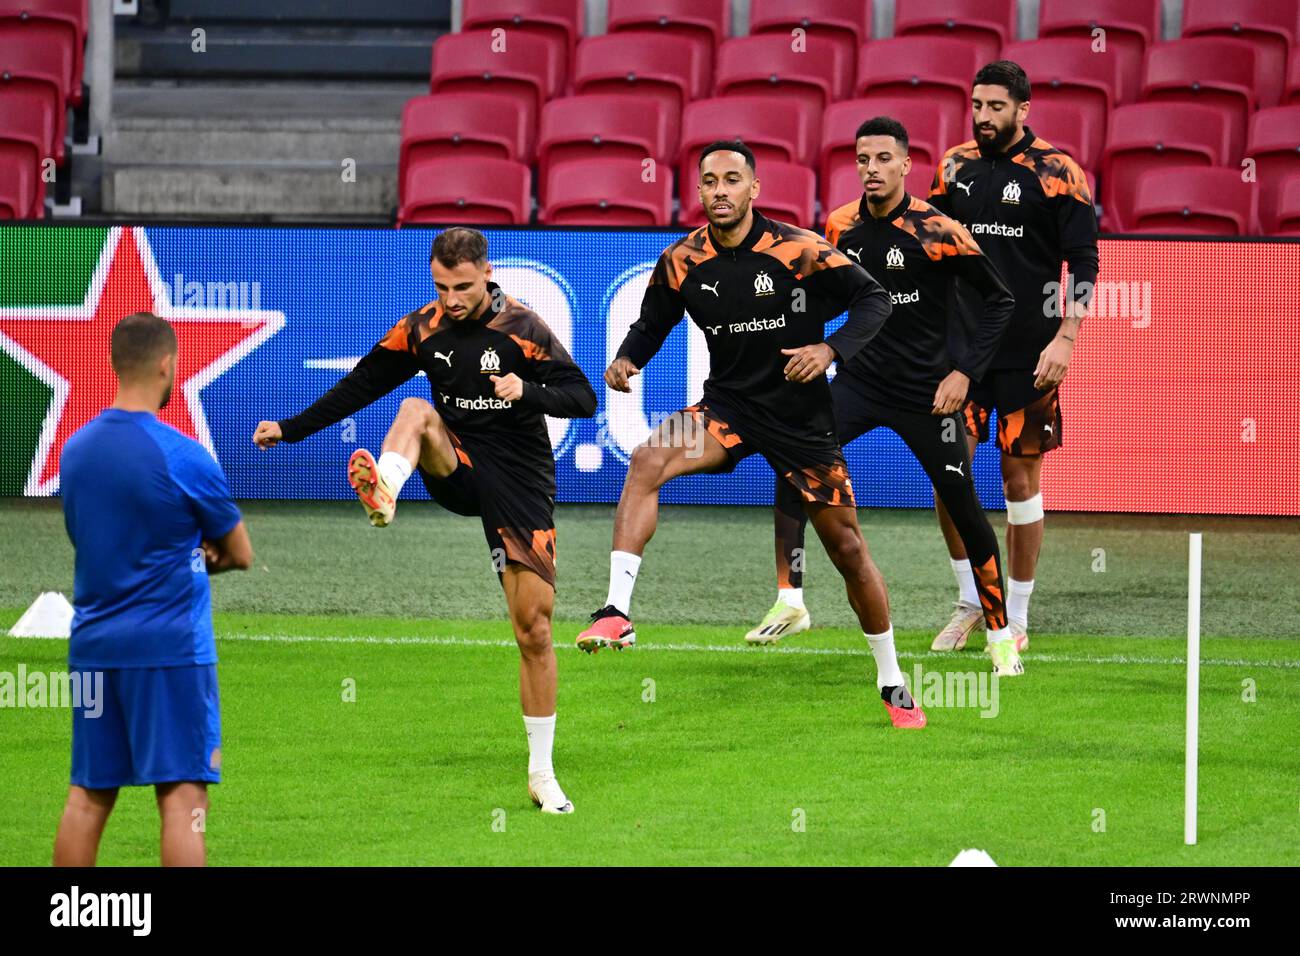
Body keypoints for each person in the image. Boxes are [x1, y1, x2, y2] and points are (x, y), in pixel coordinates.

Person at [578, 139, 927, 729]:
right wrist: (626, 359)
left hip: (802, 423)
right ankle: (617, 612)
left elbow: (874, 299)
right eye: (709, 181)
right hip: (728, 413)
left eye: (732, 180)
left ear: (753, 189)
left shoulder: (800, 249)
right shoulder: (682, 260)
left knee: (848, 551)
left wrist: (829, 348)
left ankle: (892, 682)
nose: (720, 190)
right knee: (646, 460)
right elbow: (651, 322)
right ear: (699, 191)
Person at [253, 228, 597, 813]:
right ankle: (385, 488)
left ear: (487, 273)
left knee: (533, 630)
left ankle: (541, 774)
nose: (452, 299)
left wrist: (526, 390)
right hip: (456, 464)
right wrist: (291, 428)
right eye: (441, 286)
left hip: (518, 480)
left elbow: (583, 398)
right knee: (415, 408)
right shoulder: (423, 328)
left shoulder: (525, 328)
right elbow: (364, 382)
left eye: (462, 287)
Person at [747, 116, 1023, 677]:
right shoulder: (841, 226)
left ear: (905, 165)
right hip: (860, 383)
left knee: (963, 503)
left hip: (929, 392)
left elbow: (1000, 302)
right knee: (793, 465)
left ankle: (999, 633)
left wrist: (964, 373)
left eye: (882, 160)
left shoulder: (938, 229)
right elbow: (827, 295)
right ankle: (791, 600)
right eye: (862, 160)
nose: (871, 170)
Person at [55, 311, 252, 867]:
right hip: (169, 652)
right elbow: (240, 553)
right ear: (168, 366)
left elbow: (91, 541)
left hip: (92, 647)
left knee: (88, 797)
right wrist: (196, 555)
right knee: (183, 798)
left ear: (114, 364)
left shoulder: (75, 451)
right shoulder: (185, 456)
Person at [928, 60, 1100, 649]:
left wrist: (1066, 337)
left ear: (1023, 110)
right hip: (961, 355)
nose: (983, 117)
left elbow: (1084, 263)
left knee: (1019, 479)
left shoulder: (1058, 172)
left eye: (995, 107)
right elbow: (931, 252)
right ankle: (970, 600)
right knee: (949, 473)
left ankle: (1019, 614)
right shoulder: (953, 167)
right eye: (976, 106)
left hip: (1031, 354)